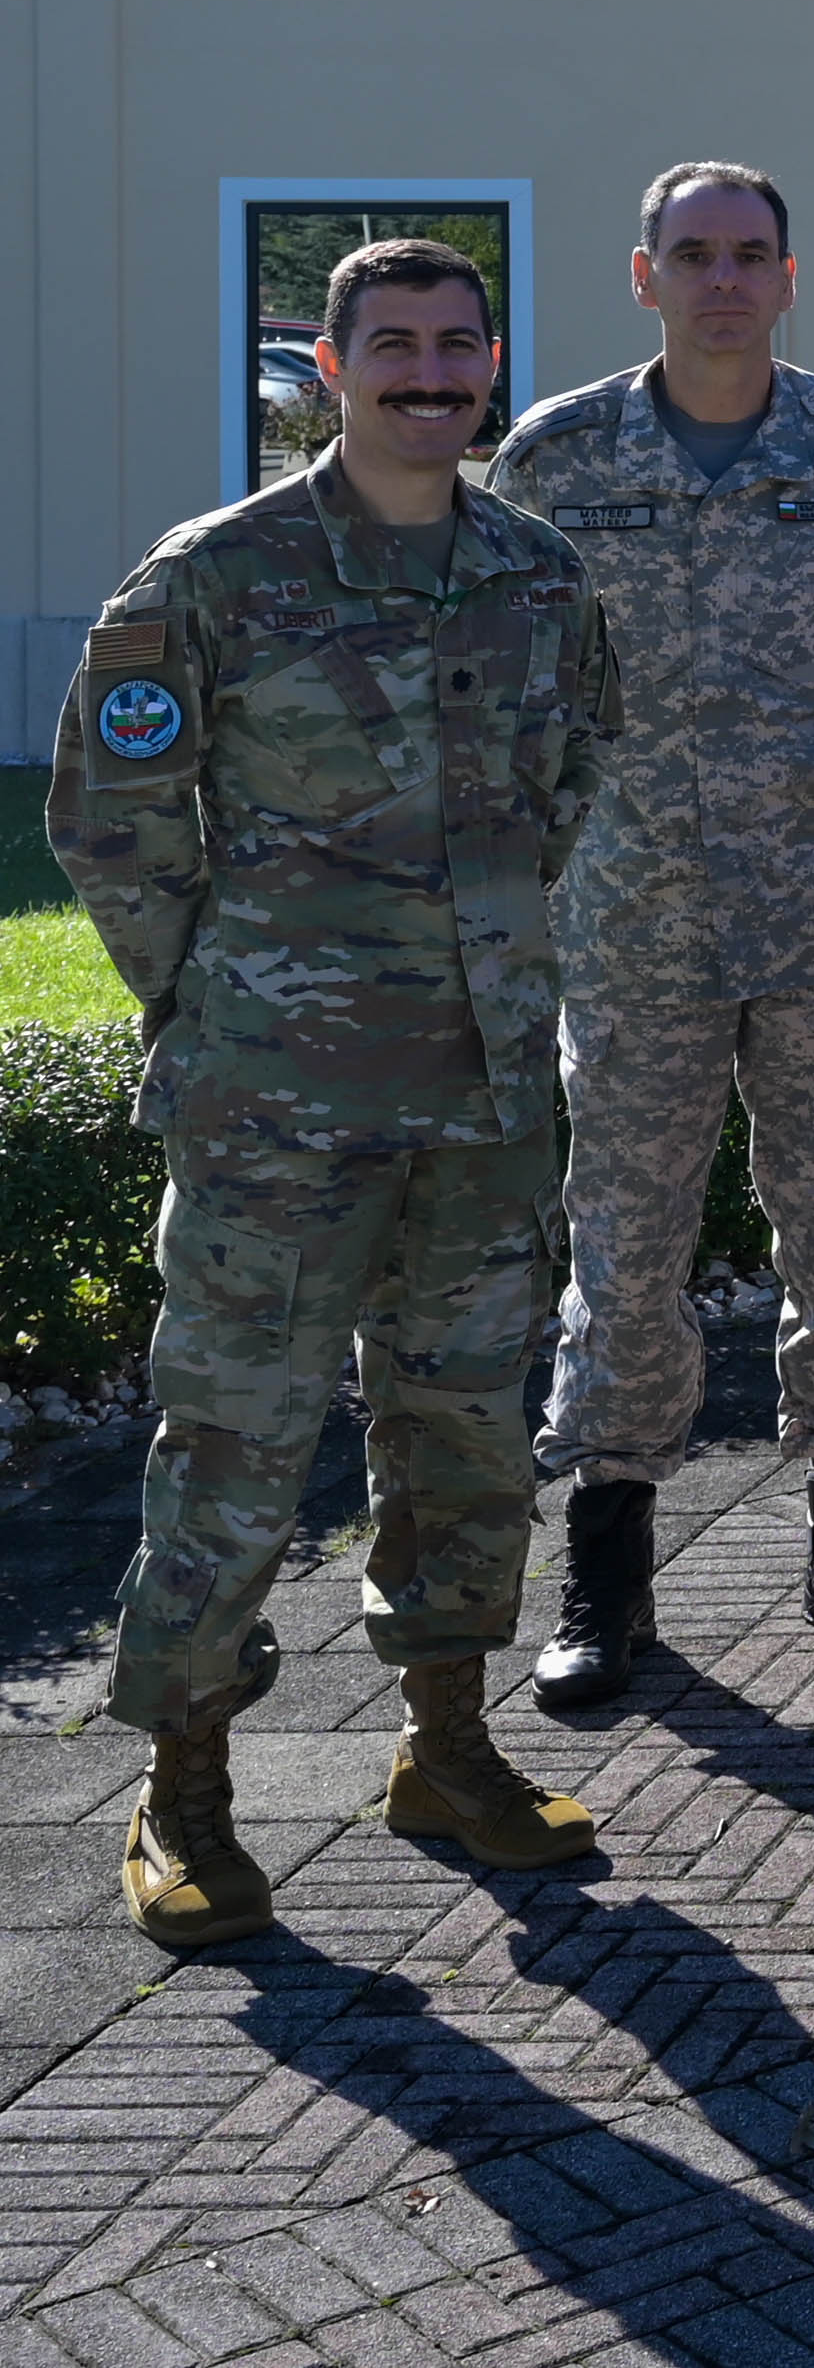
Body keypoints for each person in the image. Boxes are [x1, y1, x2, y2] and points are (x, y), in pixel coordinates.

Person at [65, 237, 620, 1945]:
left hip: (482, 1098)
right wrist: (222, 1000)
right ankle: (184, 1793)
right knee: (236, 1439)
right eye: (395, 344)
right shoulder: (214, 575)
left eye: (458, 345)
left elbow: (577, 776)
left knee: (464, 1435)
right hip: (276, 1106)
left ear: (493, 363)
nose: (428, 373)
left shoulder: (540, 576)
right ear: (331, 364)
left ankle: (446, 1751)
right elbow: (113, 821)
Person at [496, 164, 814, 1711]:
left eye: (750, 254)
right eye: (692, 254)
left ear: (788, 274)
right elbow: (505, 682)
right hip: (633, 921)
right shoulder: (557, 458)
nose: (723, 281)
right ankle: (608, 1565)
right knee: (625, 1246)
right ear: (645, 275)